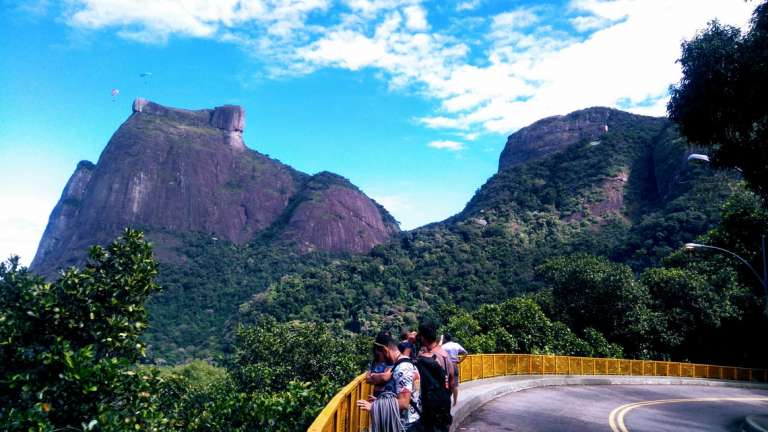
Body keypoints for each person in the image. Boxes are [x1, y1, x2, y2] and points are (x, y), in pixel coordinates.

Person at [358, 333, 423, 431]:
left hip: (406, 425)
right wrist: (380, 401)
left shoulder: (403, 369)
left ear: (385, 350)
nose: (381, 361)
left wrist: (374, 406)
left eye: (379, 355)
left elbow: (404, 403)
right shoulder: (402, 364)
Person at [416, 321, 454, 432]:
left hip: (433, 409)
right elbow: (452, 382)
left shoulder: (428, 358)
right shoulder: (445, 354)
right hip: (445, 403)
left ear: (422, 338)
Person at [440, 334, 467, 406]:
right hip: (454, 364)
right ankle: (455, 402)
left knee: (445, 383)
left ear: (445, 339)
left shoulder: (443, 346)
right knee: (455, 384)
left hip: (446, 366)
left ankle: (446, 400)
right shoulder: (456, 345)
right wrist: (460, 361)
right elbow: (465, 353)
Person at [367, 332, 395, 397]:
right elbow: (367, 379)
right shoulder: (374, 362)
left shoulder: (392, 362)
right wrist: (380, 377)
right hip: (376, 394)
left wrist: (373, 375)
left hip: (387, 395)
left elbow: (385, 377)